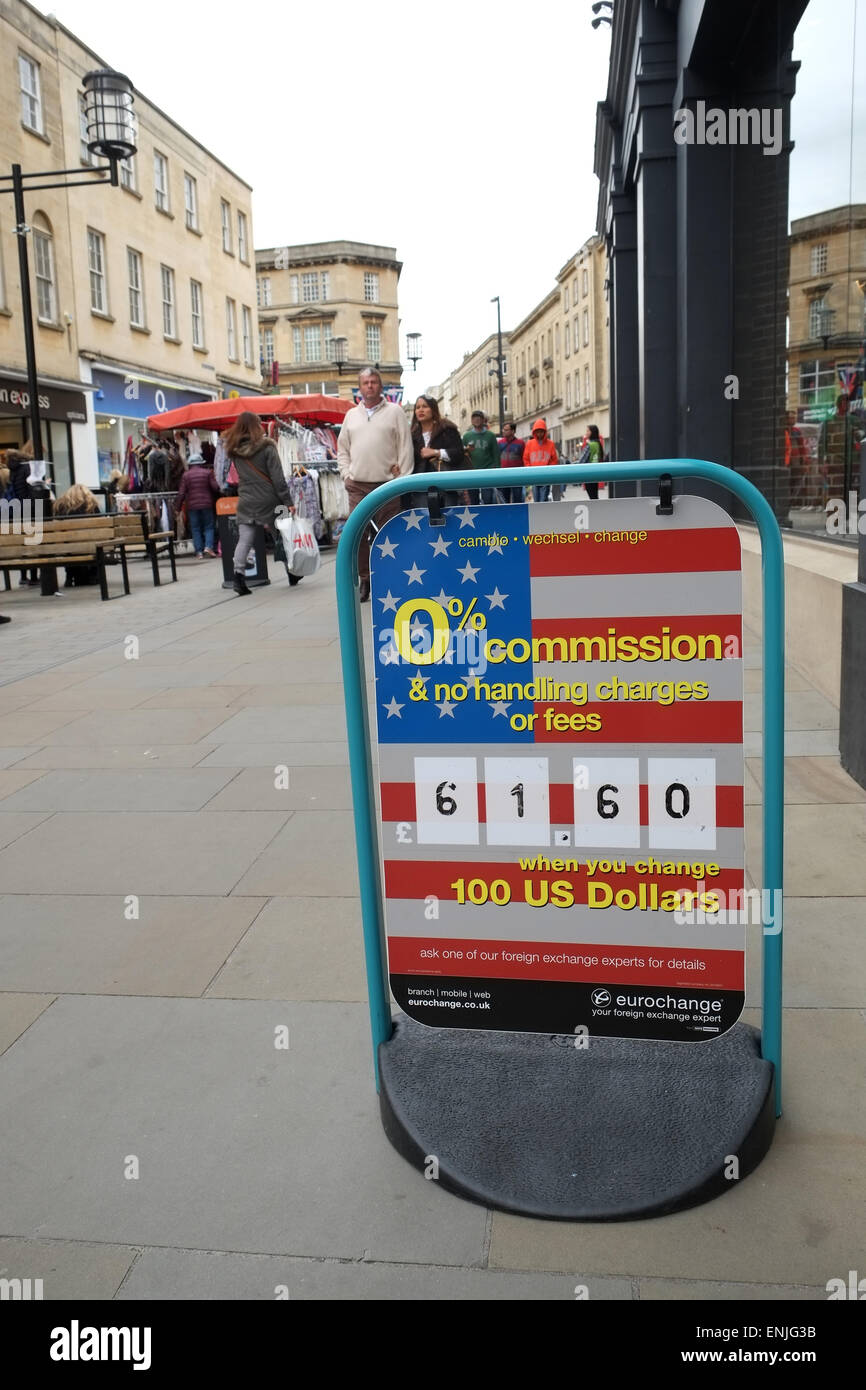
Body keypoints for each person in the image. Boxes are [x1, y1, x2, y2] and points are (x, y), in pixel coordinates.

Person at [337, 366, 413, 602]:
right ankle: (365, 578)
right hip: (358, 484)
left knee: (390, 532)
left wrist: (402, 479)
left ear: (381, 386)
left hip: (387, 484)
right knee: (357, 533)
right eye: (365, 382)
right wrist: (345, 474)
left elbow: (405, 446)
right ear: (359, 388)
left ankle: (391, 576)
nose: (369, 386)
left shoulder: (395, 412)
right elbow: (342, 449)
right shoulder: (351, 415)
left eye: (373, 382)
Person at [222, 412, 294, 596]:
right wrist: (288, 501)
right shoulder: (267, 447)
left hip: (246, 500)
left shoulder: (234, 450)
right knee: (281, 536)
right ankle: (292, 572)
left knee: (245, 539)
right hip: (270, 499)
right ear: (257, 425)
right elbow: (278, 478)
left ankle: (238, 576)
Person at [411, 397, 466, 508]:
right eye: (417, 407)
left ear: (433, 409)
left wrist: (436, 452)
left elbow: (459, 453)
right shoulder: (412, 434)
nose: (421, 410)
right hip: (420, 486)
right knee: (423, 516)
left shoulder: (447, 429)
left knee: (449, 515)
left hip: (445, 485)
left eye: (425, 406)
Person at [174, 451, 221, 558]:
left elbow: (181, 493)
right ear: (201, 463)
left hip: (192, 506)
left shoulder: (186, 475)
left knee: (195, 528)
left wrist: (178, 507)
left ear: (190, 464)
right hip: (207, 504)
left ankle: (199, 552)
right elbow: (215, 488)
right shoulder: (208, 473)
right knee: (209, 527)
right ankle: (208, 547)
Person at [54, 484, 101, 587]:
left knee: (68, 546)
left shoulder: (61, 507)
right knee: (95, 545)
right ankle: (93, 576)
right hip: (90, 545)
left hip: (68, 548)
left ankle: (69, 576)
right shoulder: (92, 506)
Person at [818, 394, 863, 499]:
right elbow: (822, 444)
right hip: (836, 463)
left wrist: (860, 433)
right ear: (838, 404)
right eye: (844, 401)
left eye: (848, 402)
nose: (846, 404)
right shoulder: (829, 422)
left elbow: (862, 436)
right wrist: (822, 463)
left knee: (852, 492)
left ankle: (850, 509)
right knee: (835, 492)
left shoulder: (854, 420)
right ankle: (836, 509)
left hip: (852, 463)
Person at [461, 410, 500, 505]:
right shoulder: (466, 436)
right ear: (471, 420)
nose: (476, 420)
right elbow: (462, 455)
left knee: (487, 498)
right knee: (473, 499)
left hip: (487, 471)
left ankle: (487, 514)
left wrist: (497, 470)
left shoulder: (490, 435)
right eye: (474, 418)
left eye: (479, 418)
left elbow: (496, 454)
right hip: (471, 471)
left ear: (483, 420)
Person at [523, 418, 558, 501]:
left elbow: (554, 459)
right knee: (536, 498)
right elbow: (526, 458)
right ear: (534, 432)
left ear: (545, 432)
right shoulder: (530, 443)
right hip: (534, 475)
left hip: (546, 475)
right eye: (537, 432)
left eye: (541, 431)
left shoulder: (550, 444)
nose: (539, 434)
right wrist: (529, 469)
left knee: (544, 498)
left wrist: (549, 470)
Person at [498, 422, 525, 503]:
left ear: (513, 431)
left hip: (517, 475)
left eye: (506, 430)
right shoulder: (500, 443)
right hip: (503, 475)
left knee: (517, 498)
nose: (503, 431)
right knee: (504, 499)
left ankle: (517, 510)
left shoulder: (521, 443)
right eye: (503, 429)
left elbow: (524, 458)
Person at [577, 424, 604, 500]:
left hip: (588, 473)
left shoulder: (590, 445)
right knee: (595, 496)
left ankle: (595, 507)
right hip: (596, 473)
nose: (586, 433)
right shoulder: (598, 444)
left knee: (592, 496)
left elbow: (582, 461)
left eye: (588, 431)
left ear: (592, 432)